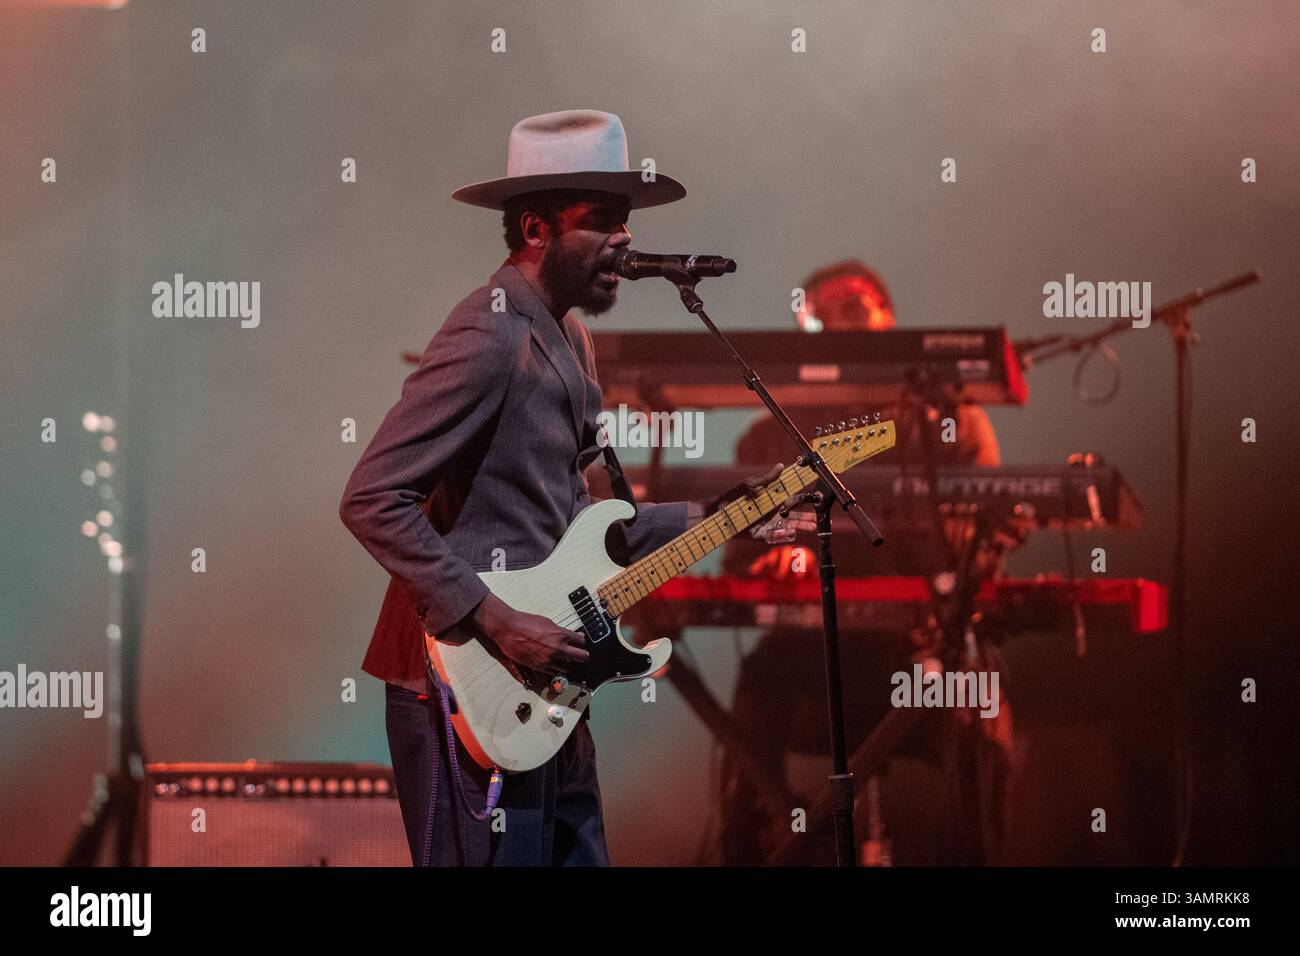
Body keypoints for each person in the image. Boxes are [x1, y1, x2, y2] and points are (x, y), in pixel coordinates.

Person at [339, 110, 806, 867]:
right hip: (464, 674)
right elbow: (371, 497)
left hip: (546, 681)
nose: (624, 239)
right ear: (535, 229)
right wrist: (495, 617)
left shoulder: (568, 336)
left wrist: (723, 517)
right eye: (602, 221)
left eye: (625, 221)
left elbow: (581, 524)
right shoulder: (488, 331)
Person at [717, 259, 1019, 865]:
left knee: (981, 722)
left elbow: (994, 527)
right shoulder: (767, 434)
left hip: (918, 651)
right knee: (752, 697)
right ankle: (773, 849)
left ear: (891, 320)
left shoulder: (947, 419)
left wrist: (950, 564)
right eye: (823, 311)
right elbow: (738, 551)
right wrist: (781, 557)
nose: (840, 318)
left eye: (857, 305)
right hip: (809, 653)